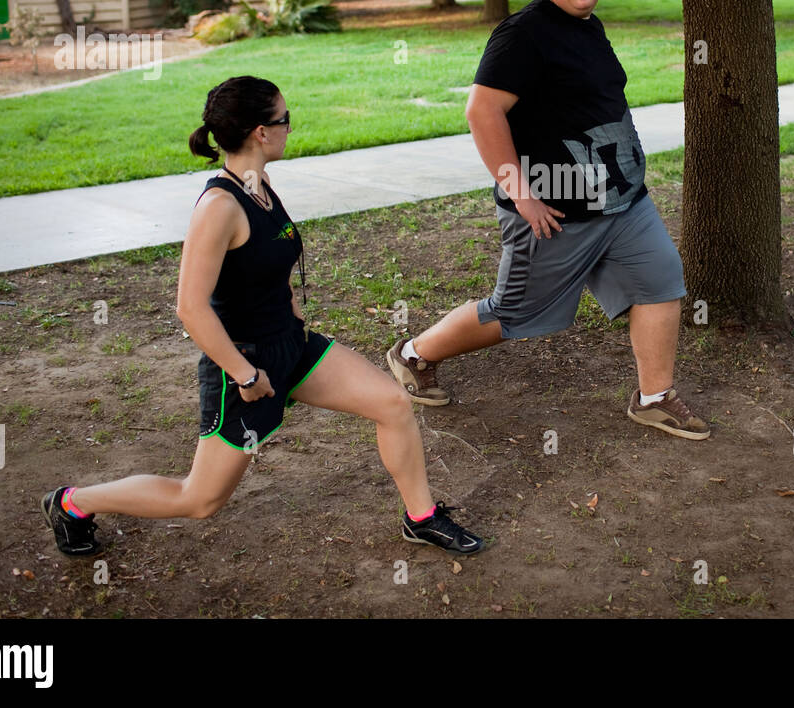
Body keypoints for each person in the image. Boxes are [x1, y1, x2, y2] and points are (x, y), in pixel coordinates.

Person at [42, 76, 484, 557]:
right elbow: (190, 308)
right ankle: (72, 503)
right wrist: (245, 373)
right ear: (260, 132)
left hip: (290, 344)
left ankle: (420, 517)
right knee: (199, 499)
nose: (290, 129)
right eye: (285, 120)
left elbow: (267, 261)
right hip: (245, 363)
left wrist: (290, 304)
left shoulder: (260, 185)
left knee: (392, 404)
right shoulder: (219, 207)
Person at [387, 0, 709, 440]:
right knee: (515, 311)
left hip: (622, 201)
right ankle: (412, 353)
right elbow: (482, 112)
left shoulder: (588, 25)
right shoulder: (522, 35)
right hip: (556, 211)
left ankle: (654, 397)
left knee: (660, 281)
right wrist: (521, 192)